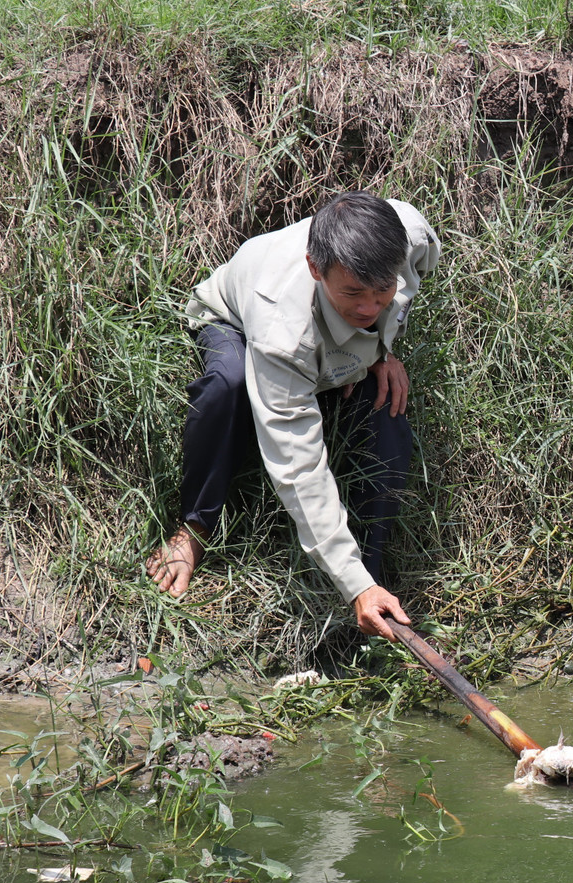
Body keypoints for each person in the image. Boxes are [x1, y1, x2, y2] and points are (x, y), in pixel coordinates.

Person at [145, 191, 440, 641]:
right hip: (238, 327)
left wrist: (381, 349)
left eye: (382, 293)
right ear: (315, 269)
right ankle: (194, 528)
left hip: (326, 341)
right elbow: (297, 466)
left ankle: (373, 587)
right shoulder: (281, 329)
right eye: (354, 293)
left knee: (388, 414)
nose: (369, 306)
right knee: (228, 389)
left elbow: (393, 297)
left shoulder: (413, 237)